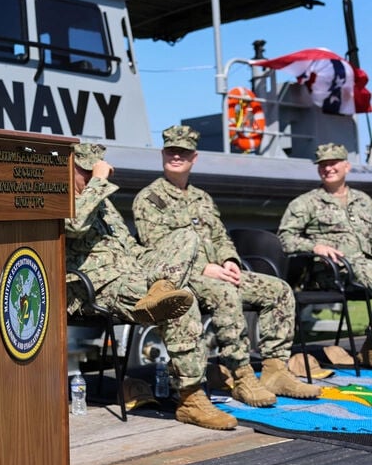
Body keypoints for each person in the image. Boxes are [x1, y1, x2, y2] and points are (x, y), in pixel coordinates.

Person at [132, 125, 321, 410]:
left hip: (217, 271)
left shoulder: (202, 198)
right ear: (163, 154)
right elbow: (158, 248)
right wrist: (205, 269)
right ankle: (242, 375)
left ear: (194, 158)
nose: (176, 156)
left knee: (279, 290)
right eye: (171, 151)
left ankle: (275, 370)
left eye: (183, 152)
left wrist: (229, 260)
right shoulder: (150, 198)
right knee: (224, 293)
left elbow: (221, 236)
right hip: (182, 277)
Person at [66, 142, 239, 430]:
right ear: (68, 168)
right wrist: (98, 181)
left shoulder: (101, 201)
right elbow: (73, 225)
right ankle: (191, 398)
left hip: (130, 273)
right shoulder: (59, 195)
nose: (90, 175)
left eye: (94, 170)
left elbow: (128, 246)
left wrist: (156, 263)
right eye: (84, 170)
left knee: (186, 237)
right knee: (180, 303)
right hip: (97, 284)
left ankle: (162, 286)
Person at [278, 142, 372, 288]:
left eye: (333, 163)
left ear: (347, 167)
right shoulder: (305, 202)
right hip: (334, 270)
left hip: (366, 264)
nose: (328, 169)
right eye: (323, 165)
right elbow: (284, 238)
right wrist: (315, 247)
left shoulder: (363, 200)